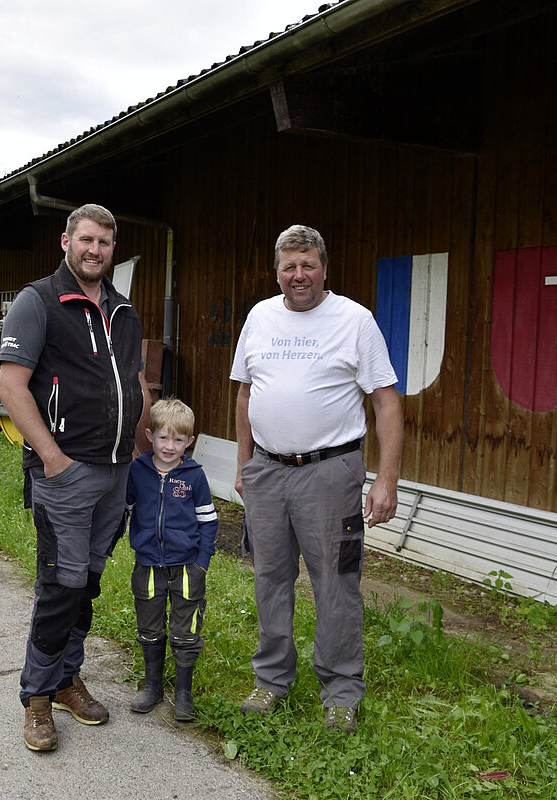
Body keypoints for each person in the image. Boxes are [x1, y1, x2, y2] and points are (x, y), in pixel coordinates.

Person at [230, 224, 402, 734]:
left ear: (324, 268)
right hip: (267, 471)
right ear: (277, 272)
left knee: (336, 583)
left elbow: (386, 402)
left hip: (331, 473)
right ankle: (271, 680)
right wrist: (244, 463)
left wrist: (387, 478)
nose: (298, 275)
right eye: (289, 266)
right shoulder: (260, 317)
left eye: (308, 265)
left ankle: (342, 691)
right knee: (269, 579)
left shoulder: (354, 320)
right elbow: (245, 393)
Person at [0, 203, 152, 752]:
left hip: (116, 472)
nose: (95, 250)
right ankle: (37, 699)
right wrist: (52, 458)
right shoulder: (38, 301)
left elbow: (135, 384)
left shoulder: (124, 310)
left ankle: (66, 679)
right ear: (66, 241)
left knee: (87, 582)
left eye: (104, 243)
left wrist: (143, 453)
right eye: (86, 239)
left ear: (113, 249)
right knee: (60, 586)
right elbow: (11, 387)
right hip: (66, 472)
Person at [125, 398, 219, 722]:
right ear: (149, 436)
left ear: (189, 441)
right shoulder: (137, 471)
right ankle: (152, 687)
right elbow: (124, 509)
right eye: (163, 437)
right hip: (148, 564)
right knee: (149, 627)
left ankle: (183, 693)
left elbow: (208, 521)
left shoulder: (194, 476)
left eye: (178, 440)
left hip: (187, 567)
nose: (169, 446)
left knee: (186, 630)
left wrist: (202, 562)